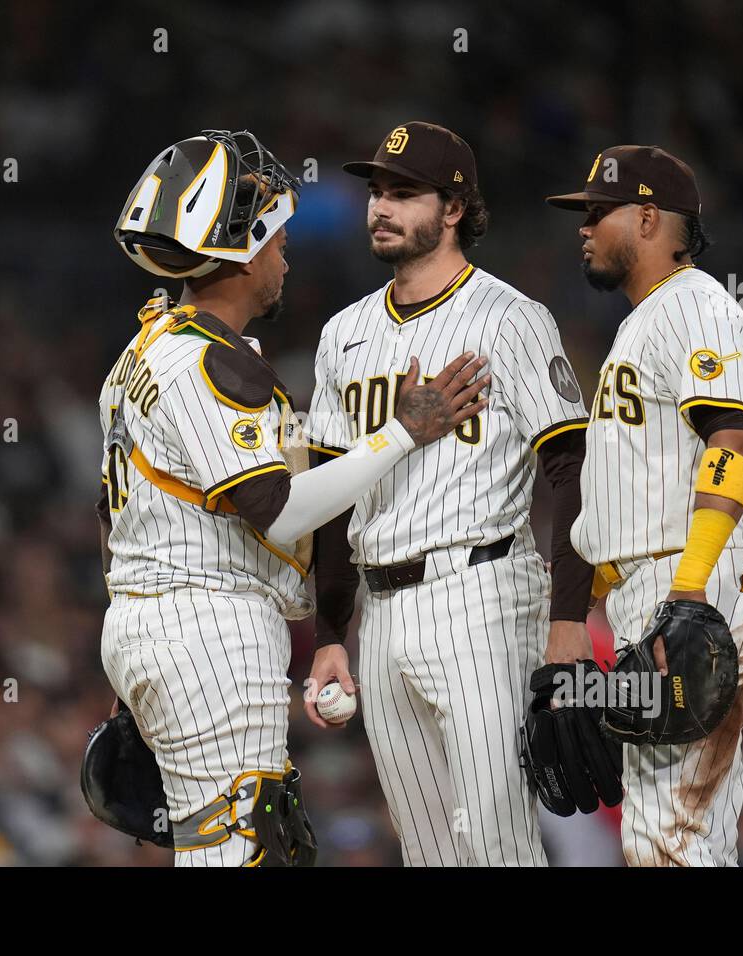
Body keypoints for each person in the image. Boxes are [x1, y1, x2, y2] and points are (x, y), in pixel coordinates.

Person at [99, 129, 488, 866]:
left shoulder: (143, 351)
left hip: (161, 617)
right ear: (241, 251)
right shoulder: (209, 363)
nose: (283, 255)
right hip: (207, 622)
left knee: (251, 850)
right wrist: (403, 432)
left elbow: (111, 522)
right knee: (245, 855)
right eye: (274, 239)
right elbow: (279, 510)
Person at [303, 121, 595, 866]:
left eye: (404, 193)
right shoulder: (344, 333)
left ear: (455, 208)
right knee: (429, 853)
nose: (381, 208)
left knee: (495, 844)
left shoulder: (512, 318)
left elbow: (572, 472)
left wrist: (569, 621)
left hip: (484, 591)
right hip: (381, 611)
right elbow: (333, 495)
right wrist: (331, 632)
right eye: (376, 192)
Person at [545, 144, 743, 865]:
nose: (583, 227)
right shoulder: (645, 320)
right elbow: (630, 499)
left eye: (598, 212)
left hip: (691, 584)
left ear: (650, 218)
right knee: (685, 839)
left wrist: (687, 597)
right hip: (662, 587)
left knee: (665, 844)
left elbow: (733, 441)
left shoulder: (696, 304)